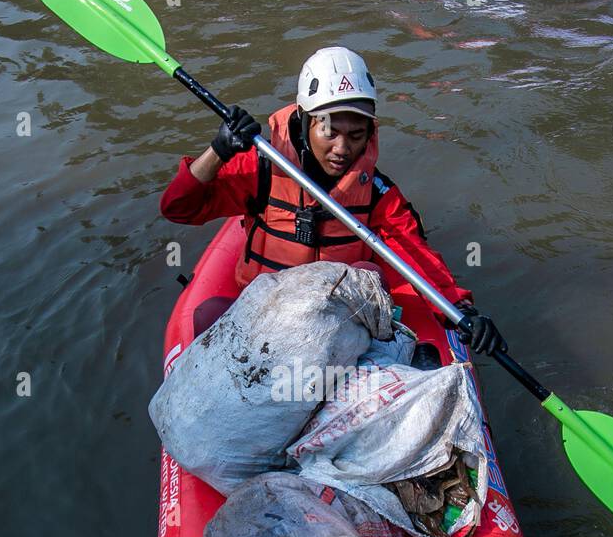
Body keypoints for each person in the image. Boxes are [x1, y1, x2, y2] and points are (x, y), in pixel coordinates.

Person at [158, 45, 506, 356]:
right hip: (264, 312)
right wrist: (218, 151)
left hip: (339, 322)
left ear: (370, 133)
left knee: (371, 274)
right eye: (330, 132)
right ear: (306, 122)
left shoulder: (378, 193)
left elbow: (414, 255)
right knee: (206, 315)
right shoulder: (261, 168)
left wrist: (462, 312)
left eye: (356, 135)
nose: (342, 149)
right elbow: (178, 208)